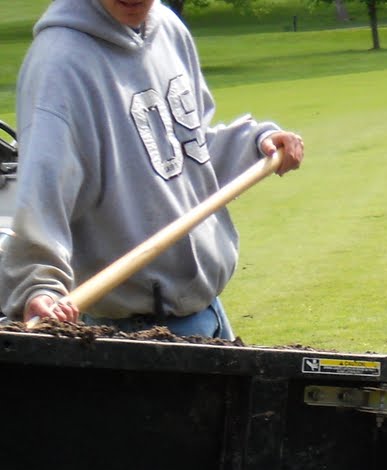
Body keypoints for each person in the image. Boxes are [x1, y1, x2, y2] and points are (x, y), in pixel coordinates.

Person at [0, 0, 304, 337]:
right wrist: (37, 285)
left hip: (208, 314)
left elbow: (185, 153)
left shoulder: (168, 29)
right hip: (129, 334)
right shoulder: (59, 64)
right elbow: (42, 190)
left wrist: (254, 143)